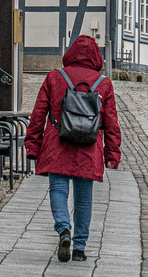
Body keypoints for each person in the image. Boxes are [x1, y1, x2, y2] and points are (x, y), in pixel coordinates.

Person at [25, 35, 121, 261]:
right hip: (89, 147)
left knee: (58, 190)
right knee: (84, 197)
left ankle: (63, 229)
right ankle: (79, 248)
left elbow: (38, 114)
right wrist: (112, 154)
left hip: (58, 143)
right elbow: (111, 122)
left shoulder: (55, 77)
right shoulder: (103, 84)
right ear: (96, 56)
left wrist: (33, 145)